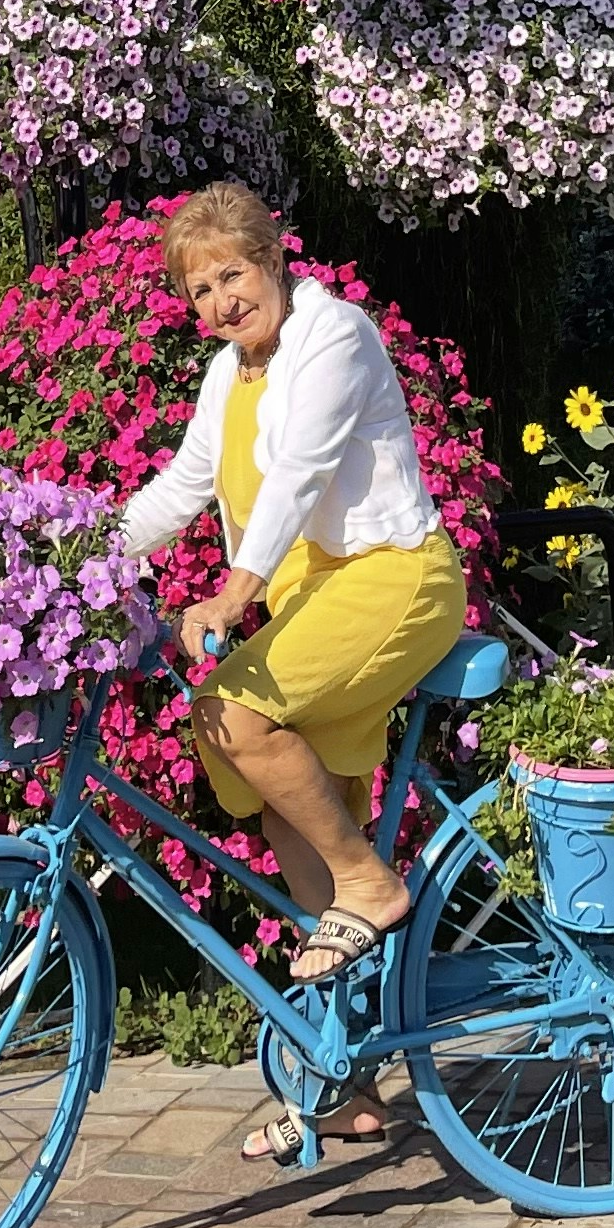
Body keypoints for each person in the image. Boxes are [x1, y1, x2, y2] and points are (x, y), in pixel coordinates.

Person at [118, 180, 468, 1162]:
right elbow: (182, 487)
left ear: (274, 260)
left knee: (233, 711)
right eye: (200, 290)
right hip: (315, 594)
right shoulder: (226, 376)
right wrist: (76, 553)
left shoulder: (335, 335)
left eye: (233, 274)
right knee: (279, 801)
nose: (220, 301)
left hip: (392, 576)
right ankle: (345, 1077)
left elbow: (303, 470)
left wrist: (234, 594)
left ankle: (369, 883)